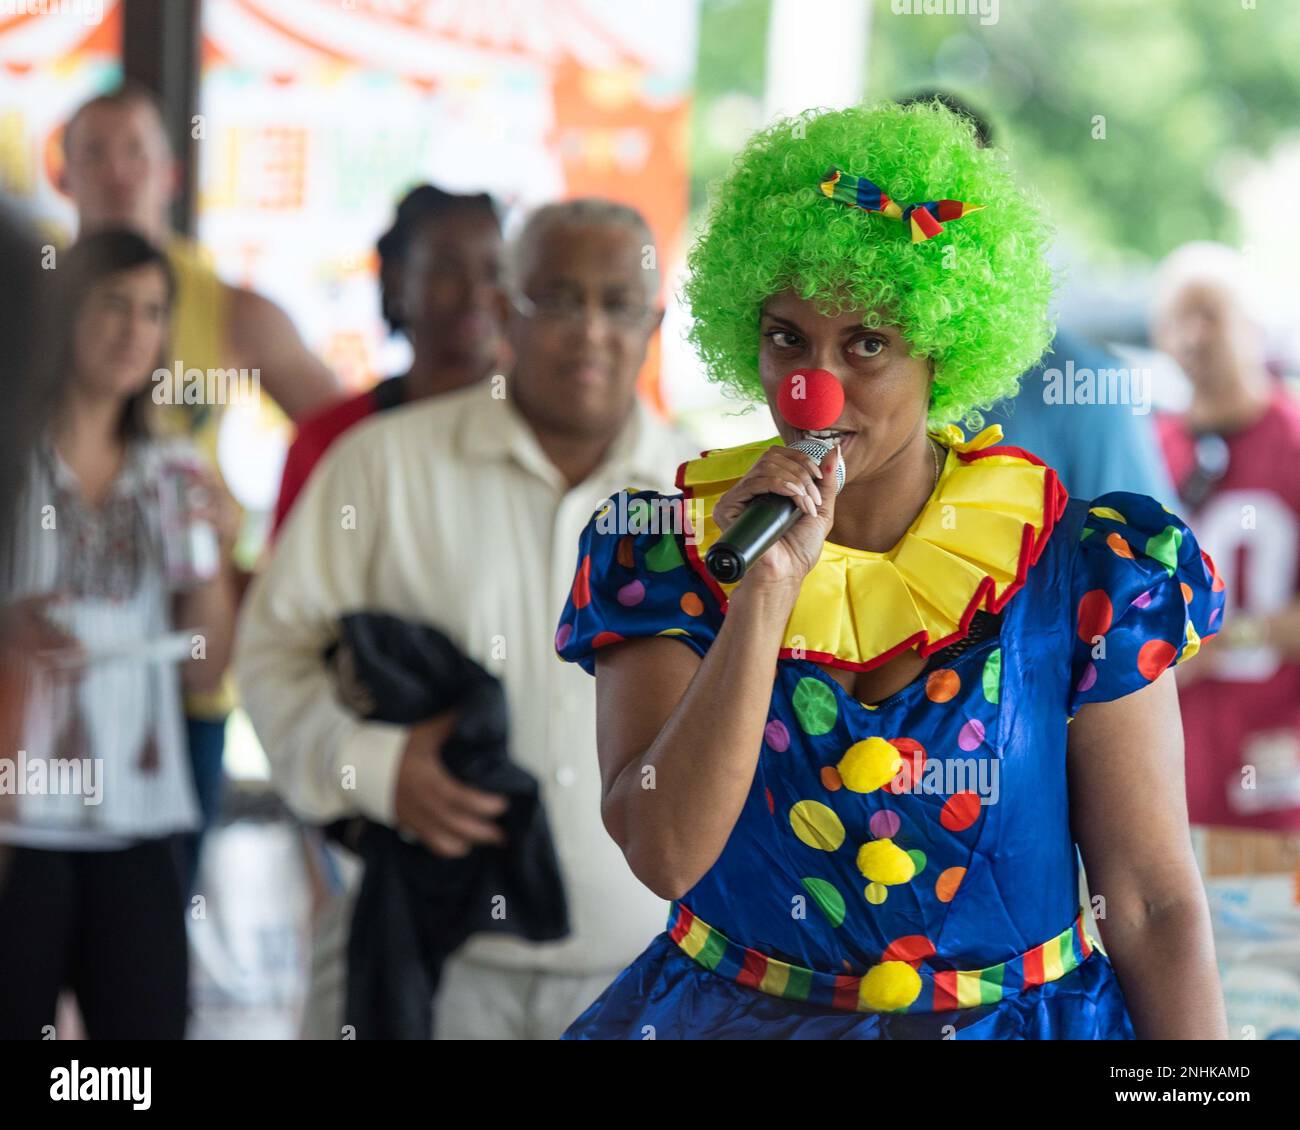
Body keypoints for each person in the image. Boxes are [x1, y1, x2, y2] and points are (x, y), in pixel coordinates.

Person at [553, 101, 1228, 1039]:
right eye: (787, 337)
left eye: (865, 345)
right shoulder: (668, 550)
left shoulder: (1088, 570)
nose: (813, 390)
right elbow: (663, 852)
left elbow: (1151, 901)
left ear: (942, 352)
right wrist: (763, 597)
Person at [234, 199, 699, 1039]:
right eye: (557, 298)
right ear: (504, 311)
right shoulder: (381, 466)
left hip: (647, 972)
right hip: (421, 959)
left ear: (654, 323)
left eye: (618, 304)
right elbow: (271, 651)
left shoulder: (699, 497)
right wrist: (370, 766)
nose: (590, 330)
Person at [59, 83, 342, 890]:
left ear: (169, 174)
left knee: (151, 920)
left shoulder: (230, 311)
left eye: (136, 153)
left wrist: (274, 574)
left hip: (184, 653)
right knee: (30, 924)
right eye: (95, 153)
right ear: (65, 176)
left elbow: (351, 442)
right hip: (55, 660)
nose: (117, 173)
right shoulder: (30, 304)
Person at [0, 231, 240, 1038]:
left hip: (137, 813)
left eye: (152, 312)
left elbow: (207, 673)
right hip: (15, 815)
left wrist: (215, 559)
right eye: (112, 304)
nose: (133, 330)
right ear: (63, 308)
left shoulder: (171, 470)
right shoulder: (11, 459)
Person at [895, 91, 1175, 506]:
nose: (920, 229)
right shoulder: (833, 364)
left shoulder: (1086, 385)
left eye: (945, 206)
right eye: (891, 201)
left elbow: (1152, 560)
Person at [1152, 242, 1300, 833]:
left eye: (1209, 313)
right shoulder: (1153, 449)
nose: (1193, 336)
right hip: (1175, 777)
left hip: (1277, 774)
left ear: (1252, 324)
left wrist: (1224, 639)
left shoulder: (1291, 441)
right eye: (1175, 320)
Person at [272, 184, 507, 535]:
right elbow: (290, 586)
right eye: (447, 268)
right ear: (397, 280)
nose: (476, 293)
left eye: (493, 271)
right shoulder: (328, 440)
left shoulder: (544, 433)